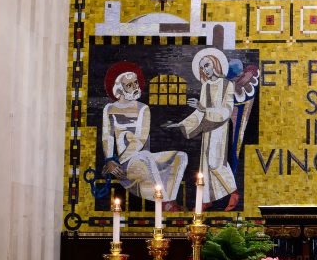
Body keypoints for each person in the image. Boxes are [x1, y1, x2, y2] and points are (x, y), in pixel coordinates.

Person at [166, 48, 246, 211]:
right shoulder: (206, 86)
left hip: (220, 127)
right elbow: (199, 112)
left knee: (215, 163)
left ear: (216, 64)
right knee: (205, 165)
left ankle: (234, 192)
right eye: (202, 67)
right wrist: (181, 124)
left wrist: (203, 108)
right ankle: (206, 199)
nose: (205, 70)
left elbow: (227, 110)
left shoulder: (227, 85)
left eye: (207, 65)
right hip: (207, 127)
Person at [100, 63, 187, 204]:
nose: (135, 87)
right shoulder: (109, 109)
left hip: (137, 157)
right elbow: (107, 136)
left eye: (135, 83)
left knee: (181, 157)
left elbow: (140, 140)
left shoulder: (143, 108)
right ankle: (165, 203)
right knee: (145, 158)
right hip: (126, 165)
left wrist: (116, 161)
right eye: (129, 85)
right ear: (119, 89)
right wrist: (109, 160)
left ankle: (169, 201)